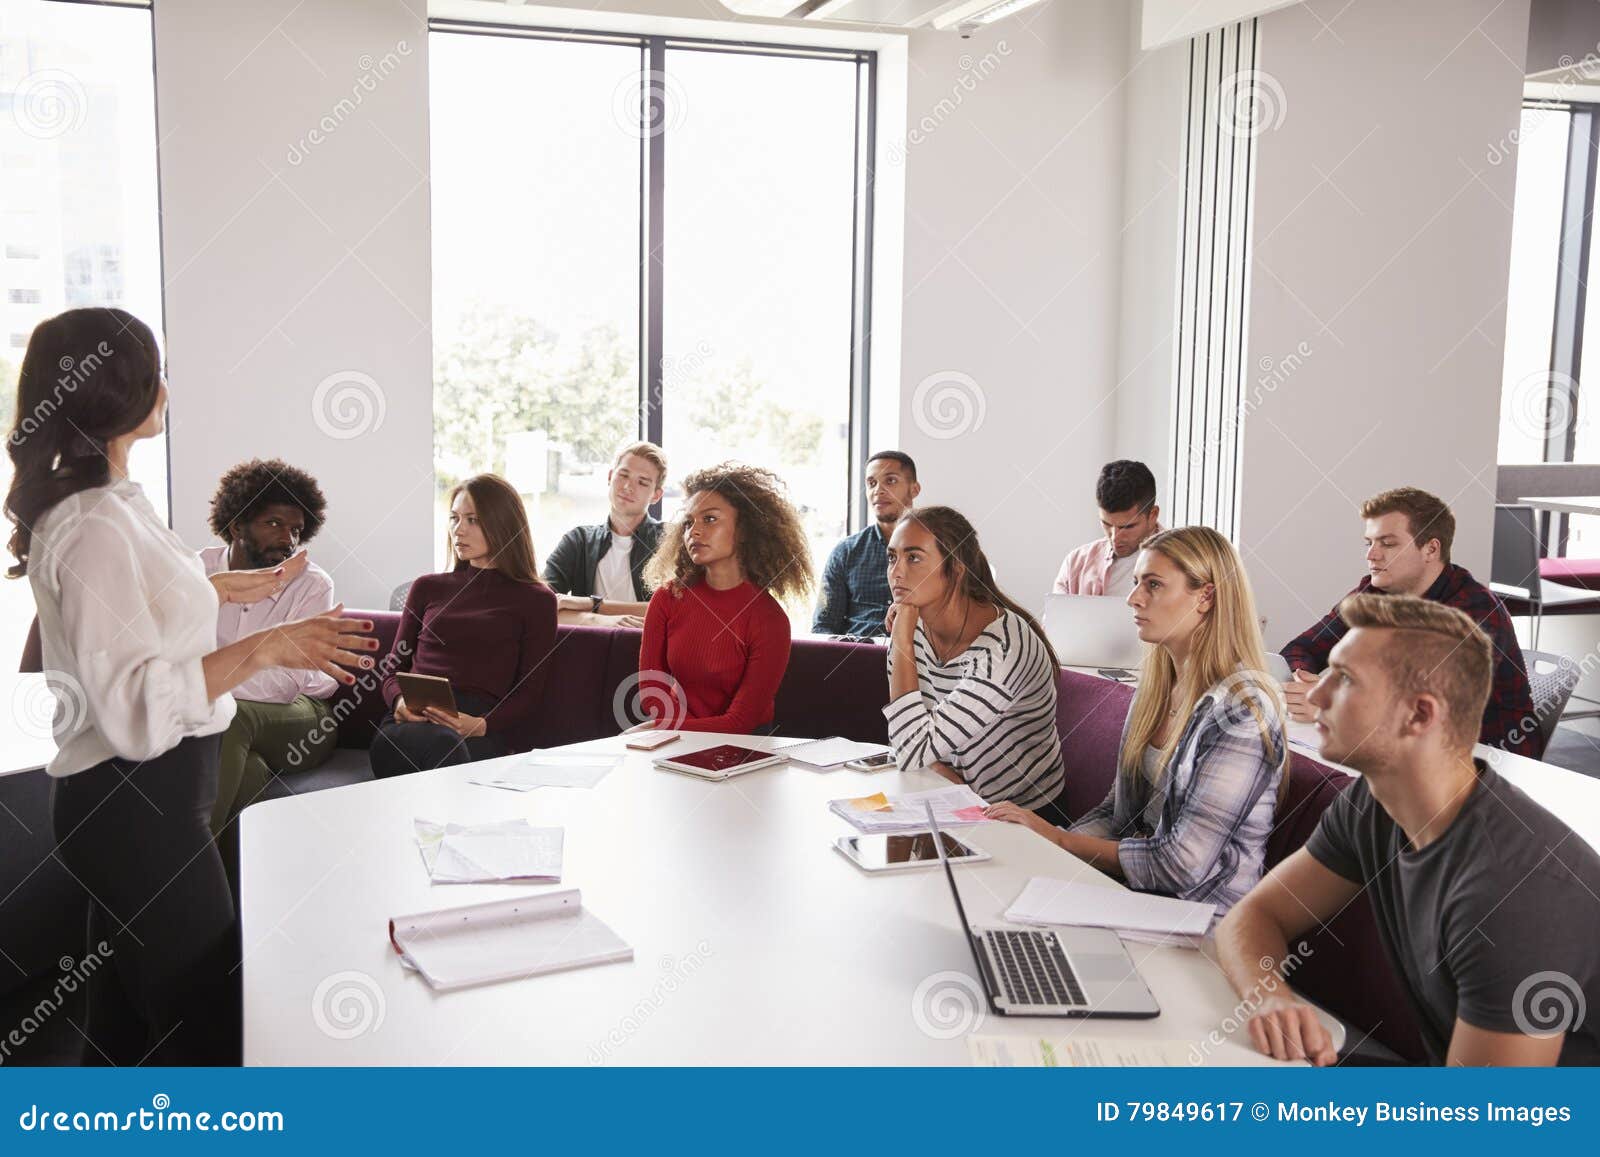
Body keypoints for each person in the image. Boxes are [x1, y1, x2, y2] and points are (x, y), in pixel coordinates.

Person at [3, 308, 376, 1064]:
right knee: (206, 1021)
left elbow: (141, 608)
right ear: (118, 389)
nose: (167, 388)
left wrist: (226, 590)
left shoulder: (110, 507)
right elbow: (136, 704)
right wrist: (271, 641)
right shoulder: (99, 523)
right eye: (156, 369)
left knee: (122, 1030)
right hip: (140, 805)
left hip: (136, 803)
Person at [1220, 593, 1600, 1066]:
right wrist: (1272, 996)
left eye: (1344, 679)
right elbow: (1253, 918)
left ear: (1419, 714)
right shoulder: (1374, 802)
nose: (1315, 695)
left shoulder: (1518, 891)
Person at [990, 526, 1286, 913]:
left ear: (1206, 596)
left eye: (1154, 585)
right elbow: (1116, 815)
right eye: (1135, 583)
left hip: (1202, 922)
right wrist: (1047, 853)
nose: (1133, 598)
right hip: (1140, 900)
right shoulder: (1156, 689)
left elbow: (1181, 866)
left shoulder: (1242, 711)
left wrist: (1059, 842)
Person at [1279, 486, 1538, 758]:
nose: (1372, 555)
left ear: (1431, 549)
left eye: (1387, 544)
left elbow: (1425, 709)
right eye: (1369, 543)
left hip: (1492, 758)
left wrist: (1332, 706)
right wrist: (1304, 681)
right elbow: (1300, 649)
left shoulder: (1476, 610)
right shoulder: (1374, 591)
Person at [883, 506, 1067, 817]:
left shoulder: (1003, 649)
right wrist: (950, 783)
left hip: (1024, 818)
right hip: (949, 795)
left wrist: (900, 638)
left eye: (913, 558)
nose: (896, 571)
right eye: (892, 557)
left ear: (955, 569)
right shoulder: (911, 623)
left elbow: (911, 749)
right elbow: (908, 740)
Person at [374, 474, 558, 777]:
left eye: (472, 520)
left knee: (448, 747)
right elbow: (392, 670)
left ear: (502, 524)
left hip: (477, 726)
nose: (459, 530)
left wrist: (480, 724)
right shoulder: (426, 588)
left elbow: (529, 693)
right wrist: (400, 700)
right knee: (436, 746)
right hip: (411, 723)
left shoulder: (536, 600)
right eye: (454, 518)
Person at [201, 459, 340, 847]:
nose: (288, 540)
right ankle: (220, 897)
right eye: (274, 524)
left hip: (306, 716)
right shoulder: (197, 574)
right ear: (236, 524)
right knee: (248, 770)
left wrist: (210, 678)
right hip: (225, 723)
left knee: (230, 715)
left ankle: (179, 867)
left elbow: (283, 684)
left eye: (296, 530)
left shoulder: (312, 585)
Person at [635, 463, 814, 734]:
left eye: (709, 519)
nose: (693, 531)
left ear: (744, 530)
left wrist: (662, 730)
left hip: (743, 748)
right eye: (688, 522)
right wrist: (666, 732)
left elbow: (740, 723)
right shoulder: (668, 598)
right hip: (672, 738)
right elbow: (651, 691)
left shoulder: (769, 619)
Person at [544, 441, 667, 629]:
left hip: (647, 651)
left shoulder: (668, 541)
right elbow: (541, 604)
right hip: (591, 650)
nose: (628, 486)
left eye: (642, 482)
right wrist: (598, 620)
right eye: (623, 475)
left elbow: (677, 610)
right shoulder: (578, 541)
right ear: (610, 476)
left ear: (656, 495)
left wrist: (593, 605)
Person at [813, 450, 921, 638]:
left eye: (890, 481)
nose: (878, 490)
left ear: (914, 489)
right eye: (871, 483)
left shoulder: (938, 548)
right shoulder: (845, 552)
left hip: (919, 657)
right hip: (856, 656)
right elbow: (823, 625)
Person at [1051, 459, 1162, 597]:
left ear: (1153, 515)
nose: (1115, 537)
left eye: (1127, 527)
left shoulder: (1182, 564)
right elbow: (1055, 617)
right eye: (1107, 524)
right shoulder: (1075, 563)